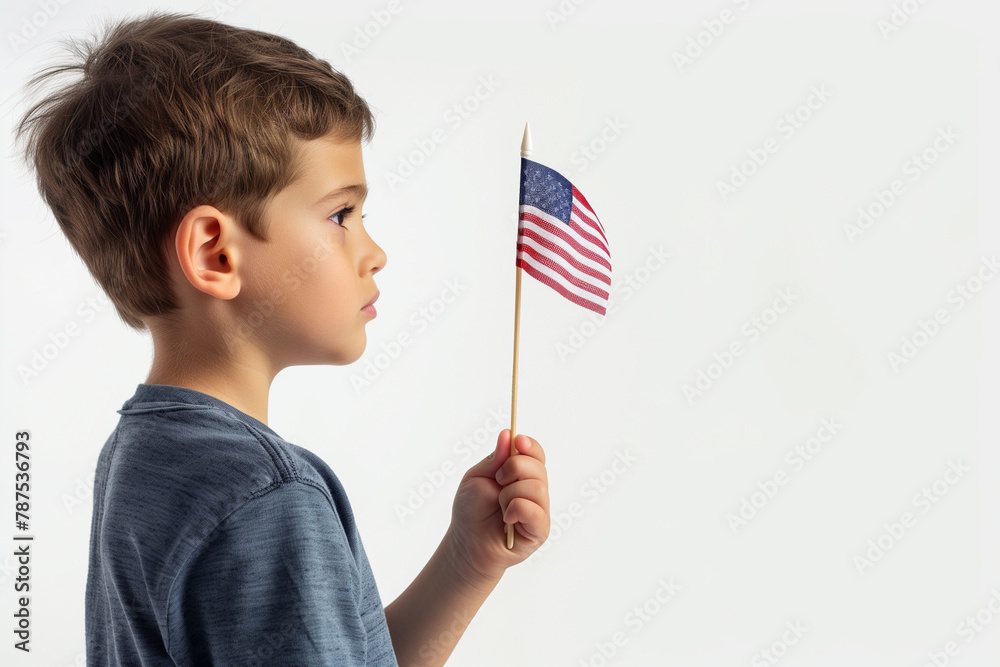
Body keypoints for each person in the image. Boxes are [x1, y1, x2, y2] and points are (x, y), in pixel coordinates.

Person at [15, 11, 550, 666]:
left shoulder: (140, 454)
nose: (374, 252)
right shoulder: (269, 494)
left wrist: (468, 563)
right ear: (216, 253)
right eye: (341, 214)